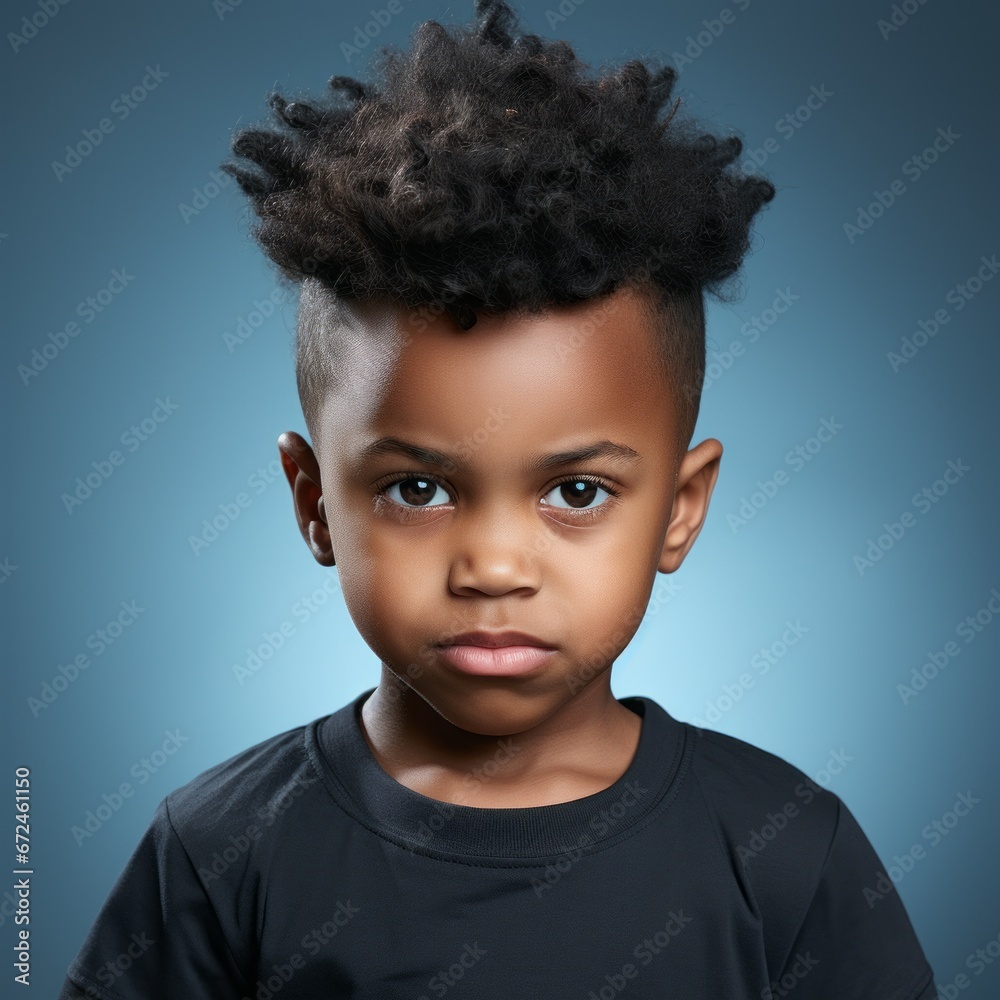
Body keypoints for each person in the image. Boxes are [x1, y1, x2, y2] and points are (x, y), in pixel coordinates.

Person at [58, 1, 935, 996]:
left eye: (574, 490)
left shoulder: (785, 851)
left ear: (680, 509)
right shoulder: (217, 855)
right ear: (312, 502)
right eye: (418, 487)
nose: (494, 567)